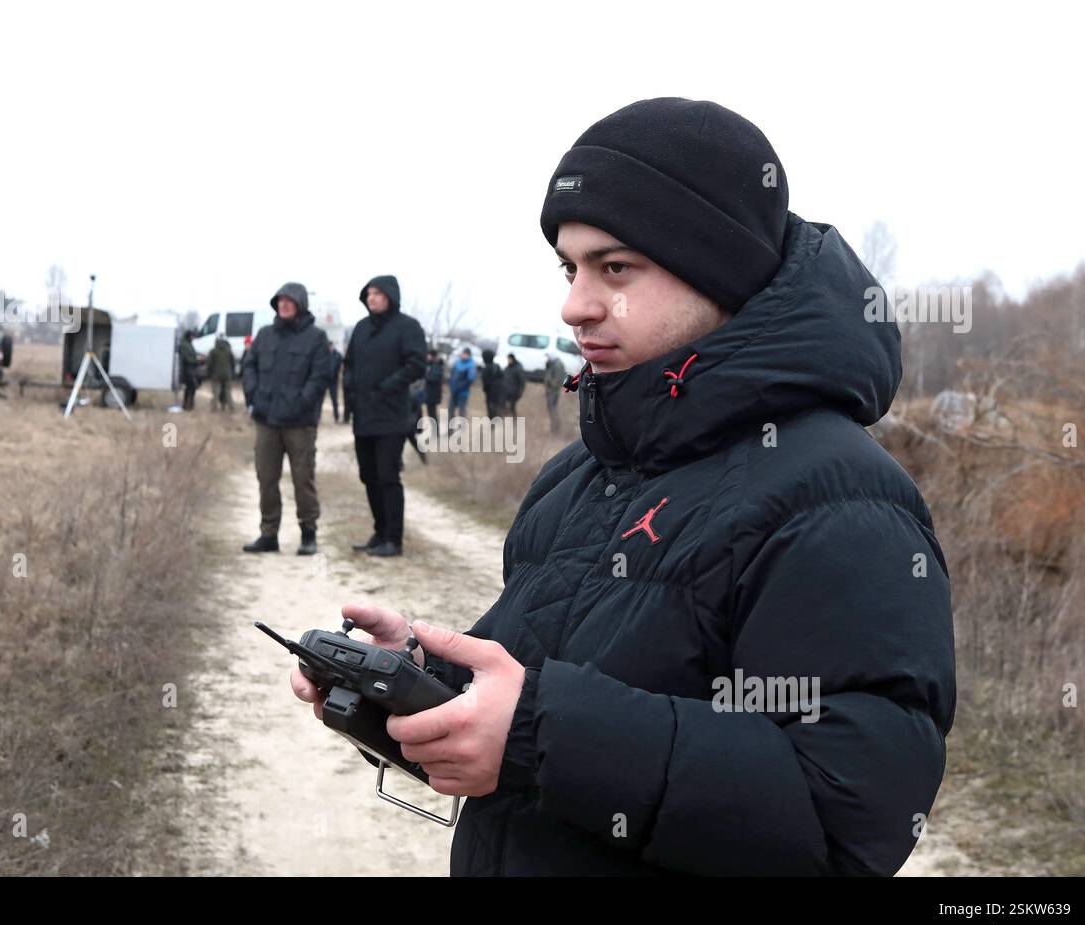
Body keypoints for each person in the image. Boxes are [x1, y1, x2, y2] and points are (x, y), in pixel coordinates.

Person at [292, 97, 956, 876]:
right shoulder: (581, 475)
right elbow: (537, 688)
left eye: (615, 268)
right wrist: (418, 681)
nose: (575, 305)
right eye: (570, 268)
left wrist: (538, 733)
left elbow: (841, 819)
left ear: (722, 271)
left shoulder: (840, 500)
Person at [241, 282, 332, 556]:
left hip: (299, 424)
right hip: (266, 421)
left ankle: (308, 534)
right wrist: (253, 395)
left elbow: (319, 377)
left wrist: (301, 403)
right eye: (280, 301)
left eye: (289, 301)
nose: (283, 305)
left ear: (301, 305)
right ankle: (269, 534)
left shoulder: (315, 338)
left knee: (303, 479)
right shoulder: (265, 335)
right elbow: (249, 366)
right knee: (266, 478)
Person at [343, 275, 427, 558]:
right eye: (369, 293)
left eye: (378, 293)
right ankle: (379, 533)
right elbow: (350, 364)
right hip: (363, 416)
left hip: (392, 416)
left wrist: (387, 386)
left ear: (390, 296)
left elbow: (416, 364)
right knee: (368, 476)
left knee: (388, 476)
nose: (372, 298)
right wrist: (351, 394)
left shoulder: (407, 327)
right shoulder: (361, 328)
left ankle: (394, 539)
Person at [447, 347, 476, 421]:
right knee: (450, 410)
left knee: (461, 411)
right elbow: (452, 374)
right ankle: (450, 430)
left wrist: (460, 387)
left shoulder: (471, 365)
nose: (464, 356)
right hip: (454, 390)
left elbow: (470, 379)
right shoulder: (457, 362)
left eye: (466, 354)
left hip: (463, 393)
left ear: (469, 355)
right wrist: (451, 384)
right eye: (463, 354)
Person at [208, 334, 235, 412]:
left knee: (216, 392)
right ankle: (231, 408)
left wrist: (209, 373)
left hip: (216, 374)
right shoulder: (229, 350)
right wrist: (232, 373)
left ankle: (214, 408)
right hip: (227, 374)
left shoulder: (213, 351)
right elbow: (233, 363)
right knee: (228, 391)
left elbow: (209, 363)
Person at [543, 351, 566, 434]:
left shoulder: (558, 364)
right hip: (550, 390)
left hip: (553, 391)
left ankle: (556, 428)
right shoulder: (552, 363)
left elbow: (558, 379)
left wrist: (551, 383)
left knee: (553, 409)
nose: (547, 358)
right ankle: (553, 427)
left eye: (548, 356)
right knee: (550, 408)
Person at [178, 329, 200, 411]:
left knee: (190, 387)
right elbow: (186, 358)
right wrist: (196, 361)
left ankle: (188, 404)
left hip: (191, 368)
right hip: (187, 369)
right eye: (192, 336)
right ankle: (187, 404)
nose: (193, 338)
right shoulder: (184, 345)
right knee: (192, 386)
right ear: (189, 336)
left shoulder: (189, 344)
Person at [480, 348, 504, 418]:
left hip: (490, 392)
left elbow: (485, 382)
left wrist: (485, 389)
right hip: (500, 391)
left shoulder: (486, 369)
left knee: (491, 408)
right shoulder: (497, 366)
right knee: (497, 407)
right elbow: (502, 377)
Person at [502, 352, 526, 418]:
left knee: (512, 406)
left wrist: (520, 392)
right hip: (506, 390)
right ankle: (505, 416)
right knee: (504, 404)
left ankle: (514, 418)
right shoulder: (507, 367)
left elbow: (522, 381)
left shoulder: (518, 368)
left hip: (514, 392)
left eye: (509, 359)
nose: (508, 360)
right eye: (508, 359)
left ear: (513, 359)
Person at [423, 349, 444, 421]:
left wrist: (424, 375)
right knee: (430, 413)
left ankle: (435, 431)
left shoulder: (436, 366)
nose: (427, 357)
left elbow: (433, 378)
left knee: (432, 414)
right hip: (429, 393)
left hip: (433, 394)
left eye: (428, 355)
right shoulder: (431, 364)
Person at [327, 344, 343, 422]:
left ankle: (336, 416)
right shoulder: (324, 354)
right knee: (319, 400)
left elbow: (341, 366)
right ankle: (317, 416)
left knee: (334, 400)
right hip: (324, 380)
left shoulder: (338, 356)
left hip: (333, 380)